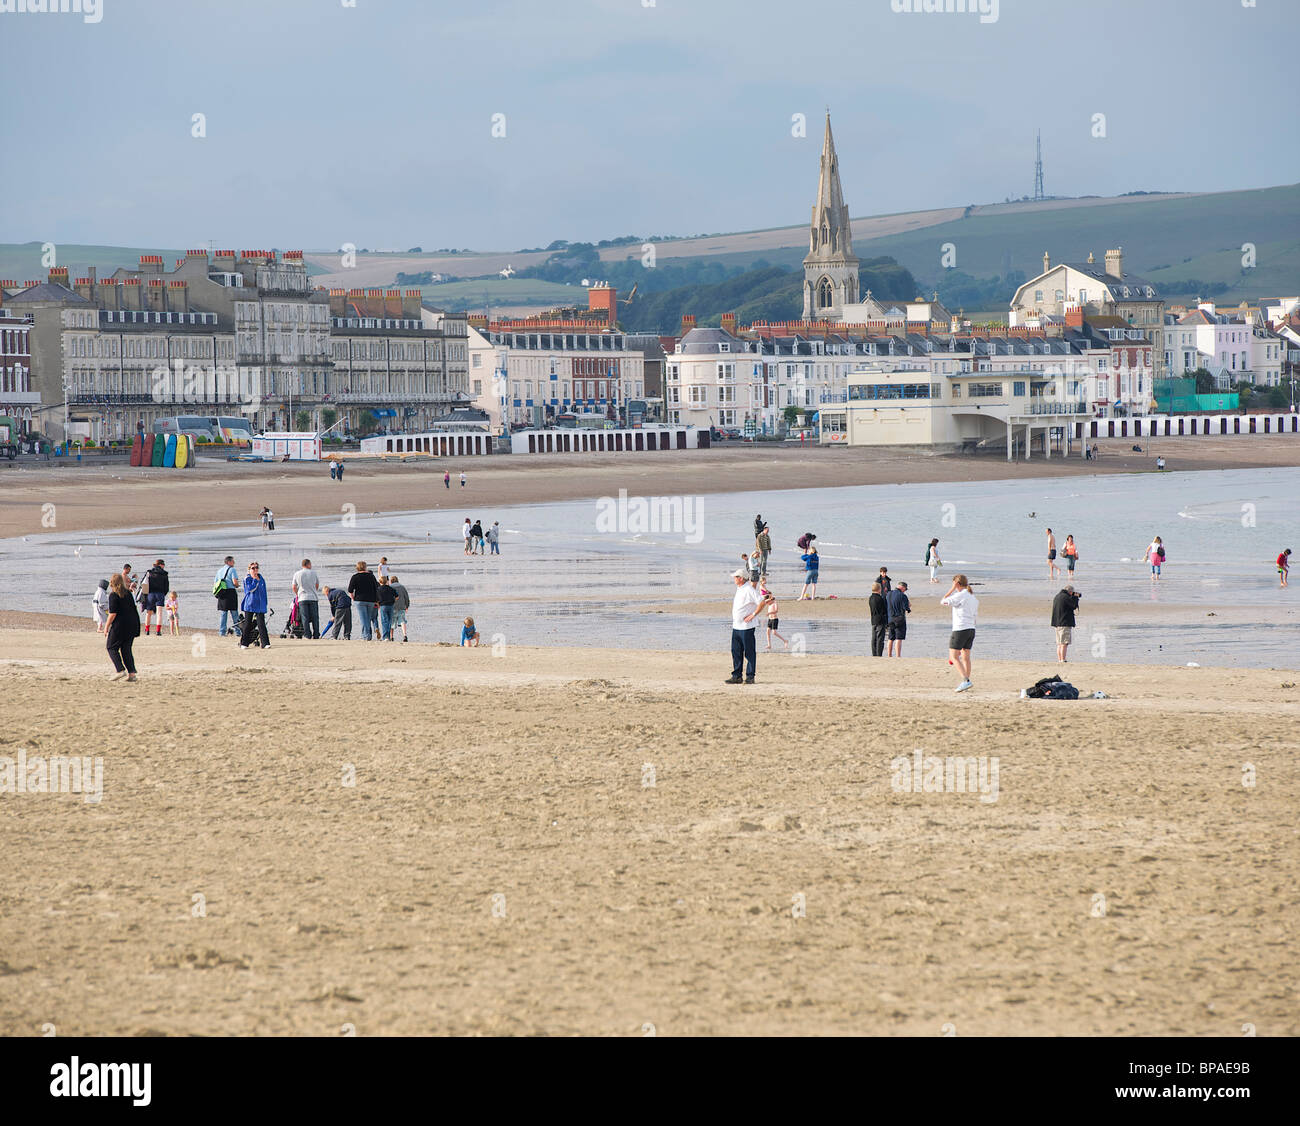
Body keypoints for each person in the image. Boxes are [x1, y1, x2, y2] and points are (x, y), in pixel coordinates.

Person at [726, 568, 772, 685]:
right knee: (736, 651)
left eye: (736, 577)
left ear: (741, 578)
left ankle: (750, 676)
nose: (734, 579)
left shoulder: (748, 589)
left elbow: (761, 602)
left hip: (747, 627)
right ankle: (737, 676)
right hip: (736, 626)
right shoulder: (740, 588)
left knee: (749, 652)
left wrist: (753, 615)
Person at [941, 574, 979, 693]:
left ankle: (966, 681)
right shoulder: (973, 597)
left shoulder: (960, 595)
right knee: (965, 656)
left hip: (960, 628)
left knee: (953, 656)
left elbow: (943, 601)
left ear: (957, 584)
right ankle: (966, 681)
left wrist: (951, 589)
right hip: (971, 628)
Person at [104, 571, 140, 682]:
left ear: (112, 583)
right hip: (133, 624)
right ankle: (132, 674)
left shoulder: (113, 595)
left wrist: (106, 627)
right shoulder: (128, 593)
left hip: (120, 626)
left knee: (111, 647)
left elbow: (112, 614)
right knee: (126, 649)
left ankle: (120, 670)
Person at [239, 562, 271, 649]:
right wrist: (255, 580)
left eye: (256, 568)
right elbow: (250, 589)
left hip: (260, 605)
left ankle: (265, 643)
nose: (255, 570)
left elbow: (264, 592)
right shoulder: (247, 578)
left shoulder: (261, 578)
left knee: (261, 624)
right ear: (249, 570)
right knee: (248, 624)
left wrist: (265, 603)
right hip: (250, 605)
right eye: (253, 568)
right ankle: (244, 643)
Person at [348, 561, 380, 641]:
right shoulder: (371, 576)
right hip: (371, 600)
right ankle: (366, 635)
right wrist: (377, 600)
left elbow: (350, 590)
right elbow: (376, 588)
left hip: (360, 600)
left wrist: (353, 598)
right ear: (365, 567)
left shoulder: (355, 577)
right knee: (368, 618)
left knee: (363, 619)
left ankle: (366, 636)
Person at [292, 557, 322, 639]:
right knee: (315, 617)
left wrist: (298, 594)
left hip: (302, 597)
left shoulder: (297, 573)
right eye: (310, 564)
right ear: (308, 564)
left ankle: (307, 634)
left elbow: (294, 586)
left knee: (305, 617)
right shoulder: (313, 573)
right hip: (313, 597)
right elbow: (317, 584)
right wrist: (313, 590)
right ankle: (316, 635)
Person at [1051, 585, 1081, 663]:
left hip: (1057, 623)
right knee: (1064, 643)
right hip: (1064, 623)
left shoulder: (1057, 596)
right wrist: (1076, 597)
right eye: (1072, 592)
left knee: (1059, 643)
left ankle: (1060, 659)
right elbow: (1073, 606)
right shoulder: (1066, 597)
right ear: (1070, 591)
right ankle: (1063, 659)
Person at [214, 555, 241, 636]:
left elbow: (215, 582)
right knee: (234, 613)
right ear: (229, 562)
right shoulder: (232, 570)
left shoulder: (219, 571)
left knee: (223, 613)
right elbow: (235, 582)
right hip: (231, 592)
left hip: (222, 593)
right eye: (233, 561)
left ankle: (222, 632)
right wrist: (237, 585)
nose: (234, 562)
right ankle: (238, 632)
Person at [142, 558, 169, 637]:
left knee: (148, 613)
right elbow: (166, 587)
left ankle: (147, 630)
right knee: (159, 613)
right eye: (163, 565)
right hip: (160, 594)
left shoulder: (149, 572)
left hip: (151, 594)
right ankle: (158, 631)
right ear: (161, 565)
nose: (164, 566)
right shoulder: (164, 574)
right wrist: (163, 594)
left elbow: (144, 583)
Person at [885, 581, 911, 657]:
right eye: (905, 589)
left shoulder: (889, 594)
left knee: (890, 638)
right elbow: (907, 608)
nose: (905, 591)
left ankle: (889, 655)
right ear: (903, 588)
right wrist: (909, 606)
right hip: (899, 618)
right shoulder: (903, 596)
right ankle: (898, 656)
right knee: (898, 638)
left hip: (890, 618)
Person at [763, 586, 787, 652]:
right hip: (770, 619)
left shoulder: (774, 603)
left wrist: (769, 612)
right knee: (767, 631)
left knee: (774, 633)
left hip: (774, 619)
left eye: (768, 602)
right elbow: (765, 601)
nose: (767, 604)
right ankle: (769, 645)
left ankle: (785, 641)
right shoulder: (769, 603)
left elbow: (776, 611)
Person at [868, 580, 888, 657]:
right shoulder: (880, 598)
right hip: (880, 620)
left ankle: (874, 654)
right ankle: (879, 654)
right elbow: (884, 610)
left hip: (873, 619)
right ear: (879, 589)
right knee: (880, 638)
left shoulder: (870, 598)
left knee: (874, 638)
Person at [389, 575, 411, 641]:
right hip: (402, 607)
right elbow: (406, 597)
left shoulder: (390, 587)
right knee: (402, 621)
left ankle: (391, 637)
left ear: (391, 581)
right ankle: (405, 635)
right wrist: (407, 606)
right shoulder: (402, 587)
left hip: (392, 607)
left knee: (392, 622)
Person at [376, 575, 397, 640]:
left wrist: (378, 605)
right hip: (390, 605)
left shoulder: (378, 589)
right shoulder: (391, 588)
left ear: (380, 582)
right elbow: (397, 596)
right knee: (389, 621)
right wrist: (393, 601)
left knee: (384, 621)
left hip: (383, 606)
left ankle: (386, 637)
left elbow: (376, 598)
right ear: (387, 581)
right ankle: (388, 636)